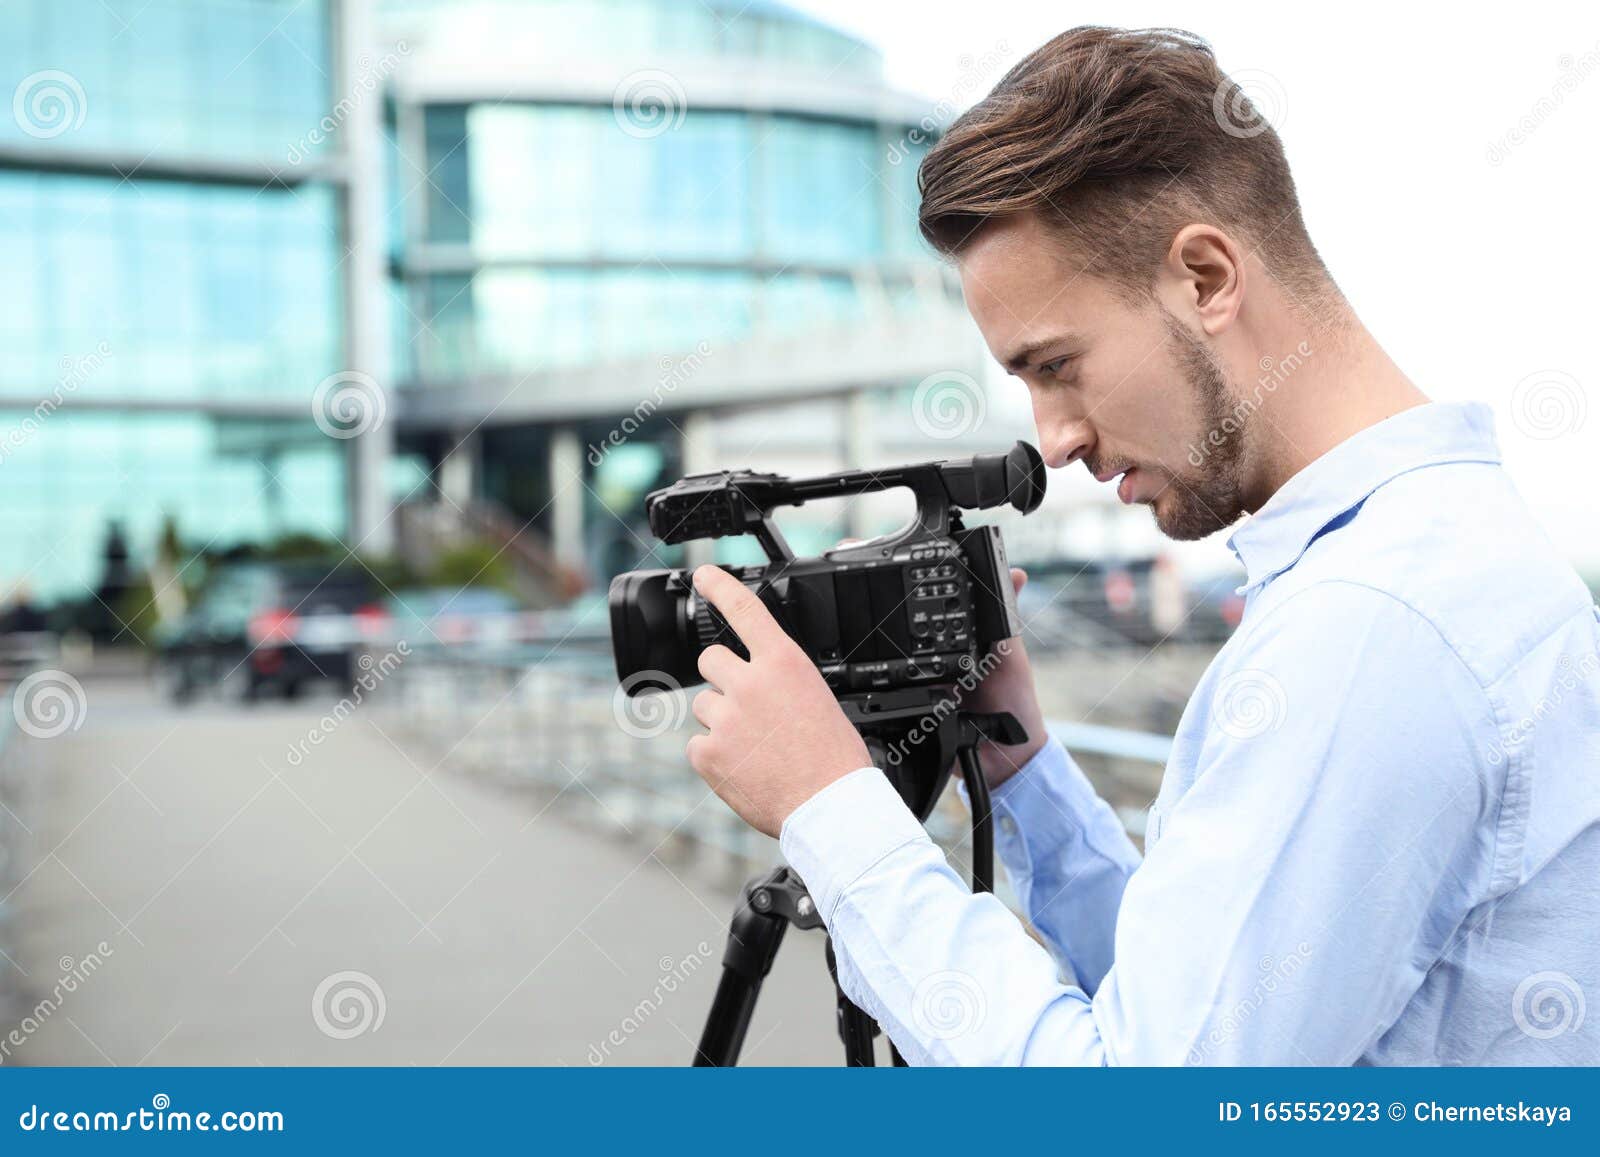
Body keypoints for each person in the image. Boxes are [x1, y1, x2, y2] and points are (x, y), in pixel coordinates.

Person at [682, 26, 1600, 1064]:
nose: (1056, 436)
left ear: (1205, 277)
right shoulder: (1416, 563)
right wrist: (1020, 761)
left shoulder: (1373, 628)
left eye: (1058, 363)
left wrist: (829, 807)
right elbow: (1201, 1019)